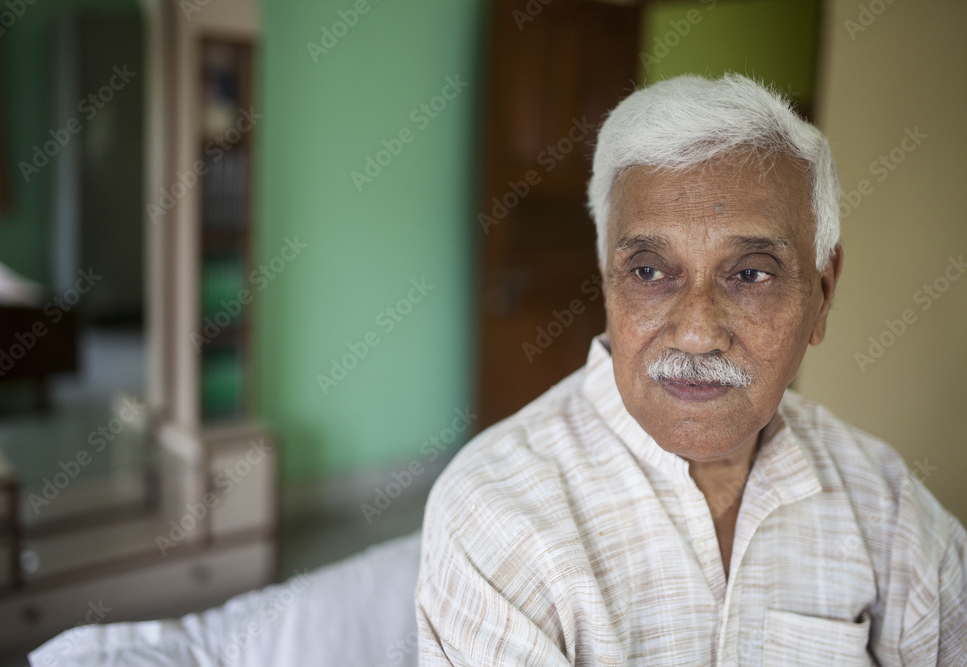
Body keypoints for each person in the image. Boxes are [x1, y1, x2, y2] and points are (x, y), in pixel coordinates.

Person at [414, 74, 967, 665]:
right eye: (650, 272)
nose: (698, 333)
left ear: (821, 295)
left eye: (751, 274)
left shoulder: (885, 504)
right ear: (607, 281)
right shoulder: (495, 513)